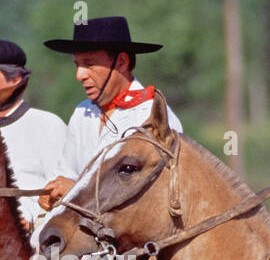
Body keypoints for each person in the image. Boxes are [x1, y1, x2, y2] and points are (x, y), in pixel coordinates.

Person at [40, 16, 182, 211]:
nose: (79, 75)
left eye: (89, 64)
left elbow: (161, 197)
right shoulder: (82, 113)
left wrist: (76, 193)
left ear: (122, 62)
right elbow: (66, 173)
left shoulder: (153, 116)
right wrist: (52, 194)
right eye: (77, 65)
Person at [0, 39, 67, 232]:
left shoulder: (46, 125)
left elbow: (60, 189)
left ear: (15, 80)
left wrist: (29, 217)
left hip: (30, 237)